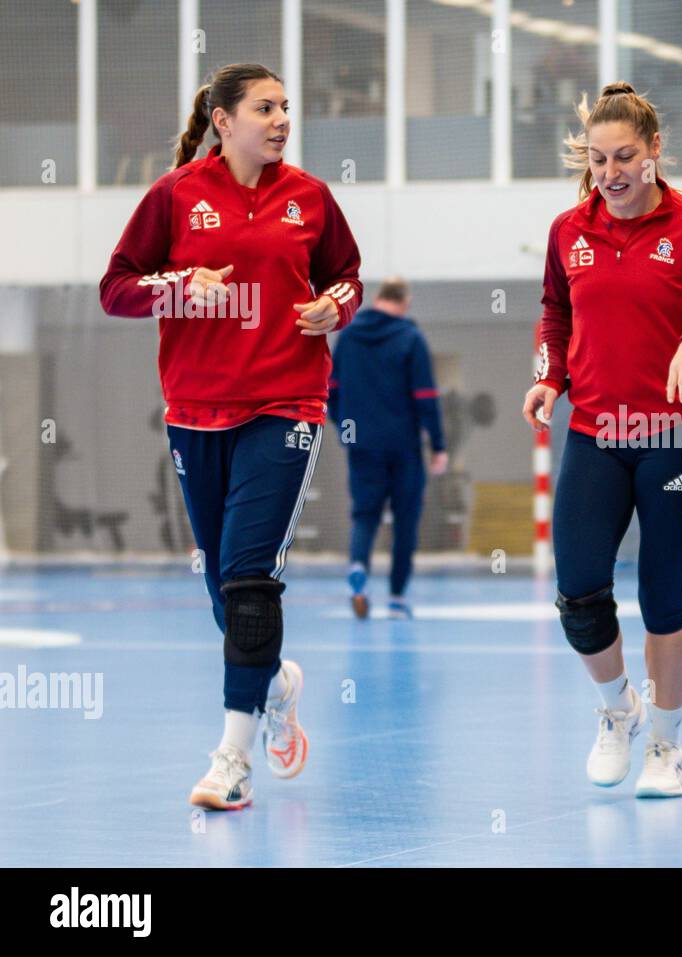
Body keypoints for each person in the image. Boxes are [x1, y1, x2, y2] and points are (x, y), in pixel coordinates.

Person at [100, 64, 363, 810]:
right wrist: (177, 285)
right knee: (223, 585)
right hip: (194, 409)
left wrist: (332, 309)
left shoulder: (310, 197)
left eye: (286, 108)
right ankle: (275, 678)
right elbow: (116, 287)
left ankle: (231, 759)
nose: (280, 119)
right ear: (222, 119)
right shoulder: (176, 195)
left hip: (285, 405)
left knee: (250, 579)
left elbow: (346, 276)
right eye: (264, 108)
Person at [522, 82, 682, 798]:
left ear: (654, 149)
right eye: (598, 159)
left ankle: (665, 740)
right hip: (595, 434)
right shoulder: (570, 231)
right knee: (578, 591)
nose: (611, 172)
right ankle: (616, 709)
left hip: (677, 438)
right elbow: (553, 316)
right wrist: (548, 378)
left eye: (624, 156)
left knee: (663, 597)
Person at [328, 276, 449, 619]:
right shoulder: (410, 338)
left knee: (365, 514)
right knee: (405, 519)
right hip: (404, 446)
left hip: (362, 444)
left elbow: (332, 391)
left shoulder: (348, 335)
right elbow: (426, 397)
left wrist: (346, 431)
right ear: (404, 302)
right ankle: (396, 597)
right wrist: (438, 445)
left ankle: (358, 571)